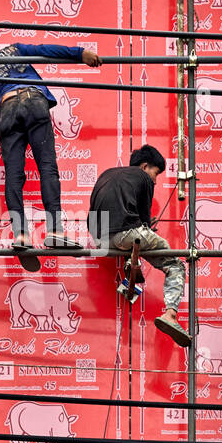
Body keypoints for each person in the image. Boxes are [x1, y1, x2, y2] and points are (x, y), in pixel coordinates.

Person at [0, 36, 101, 251]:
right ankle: (55, 232)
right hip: (34, 100)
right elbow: (47, 50)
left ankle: (21, 236)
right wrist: (80, 54)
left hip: (8, 107)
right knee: (47, 168)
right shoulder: (15, 49)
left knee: (13, 175)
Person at [88, 145, 190, 347]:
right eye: (155, 173)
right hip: (126, 234)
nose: (155, 179)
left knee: (134, 243)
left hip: (99, 240)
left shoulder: (107, 174)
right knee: (175, 263)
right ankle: (170, 314)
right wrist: (148, 229)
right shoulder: (142, 177)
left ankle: (129, 263)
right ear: (145, 167)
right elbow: (142, 221)